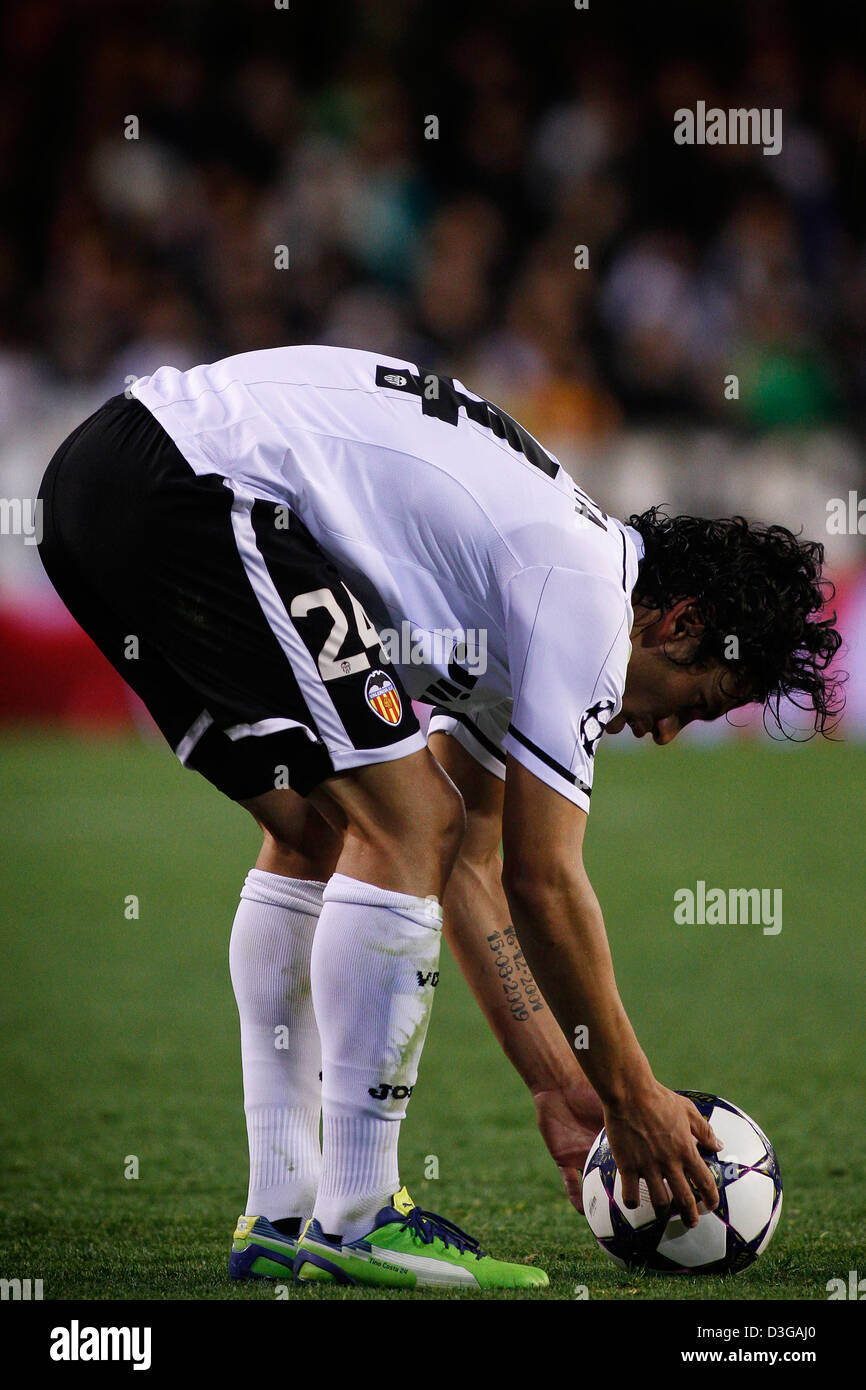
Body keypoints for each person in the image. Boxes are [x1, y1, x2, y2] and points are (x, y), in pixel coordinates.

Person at [36, 345, 842, 1289]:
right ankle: (361, 1215)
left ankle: (282, 1212)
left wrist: (559, 1087)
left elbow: (471, 862)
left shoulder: (546, 582)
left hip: (101, 486)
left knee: (319, 829)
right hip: (194, 483)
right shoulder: (585, 596)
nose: (664, 732)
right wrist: (633, 1098)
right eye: (692, 701)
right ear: (676, 621)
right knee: (403, 818)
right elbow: (543, 880)